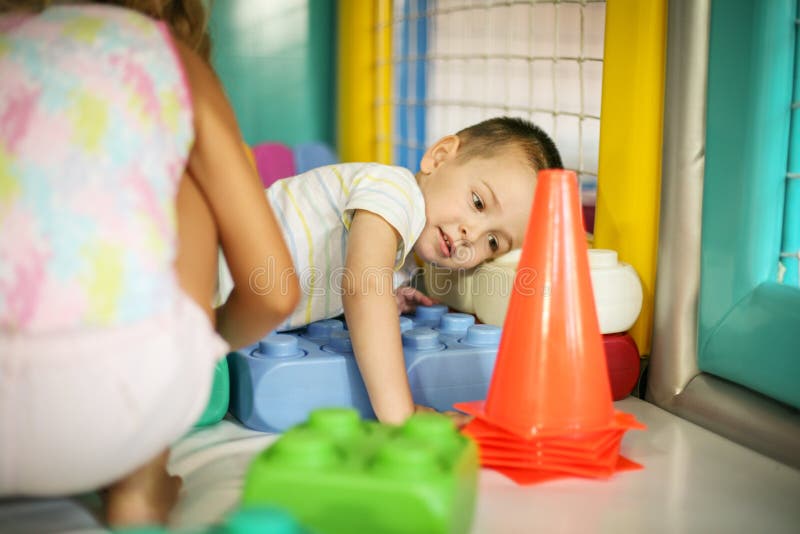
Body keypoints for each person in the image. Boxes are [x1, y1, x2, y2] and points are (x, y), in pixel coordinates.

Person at [0, 1, 299, 527]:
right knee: (189, 177)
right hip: (125, 406)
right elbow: (273, 291)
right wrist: (212, 345)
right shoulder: (170, 59)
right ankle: (139, 489)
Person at [220, 117, 563, 426]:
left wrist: (390, 293)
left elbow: (345, 275)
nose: (471, 234)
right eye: (478, 202)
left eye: (492, 242)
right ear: (440, 157)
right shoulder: (394, 191)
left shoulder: (406, 254)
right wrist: (401, 414)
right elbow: (362, 287)